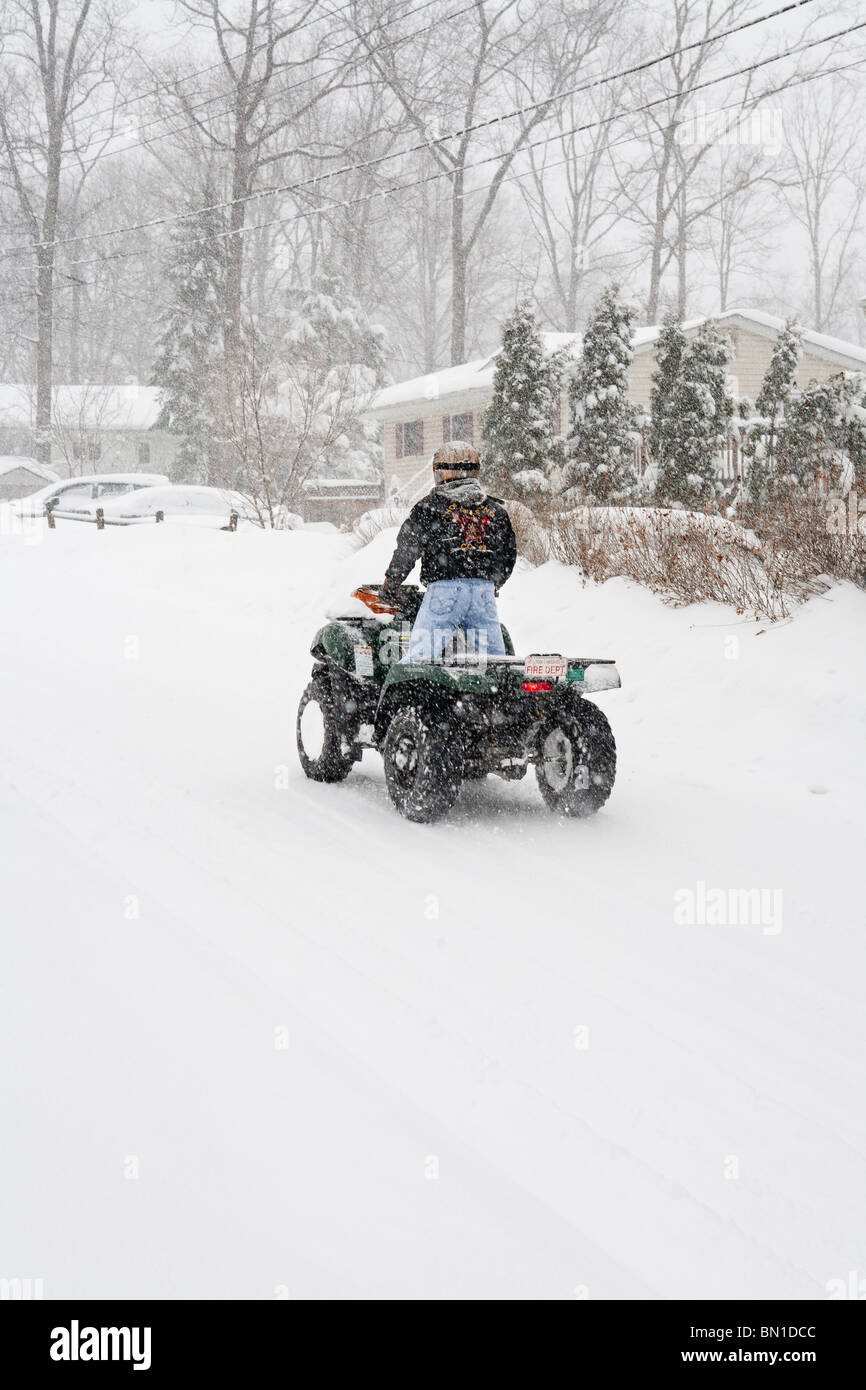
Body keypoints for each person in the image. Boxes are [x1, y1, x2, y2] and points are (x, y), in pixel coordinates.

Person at [381, 440, 517, 662]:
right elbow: (508, 555)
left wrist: (392, 582)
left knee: (419, 660)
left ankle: (410, 694)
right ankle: (496, 695)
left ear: (441, 471)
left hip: (444, 590)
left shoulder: (429, 507)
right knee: (494, 662)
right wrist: (492, 582)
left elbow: (407, 549)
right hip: (483, 593)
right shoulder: (495, 511)